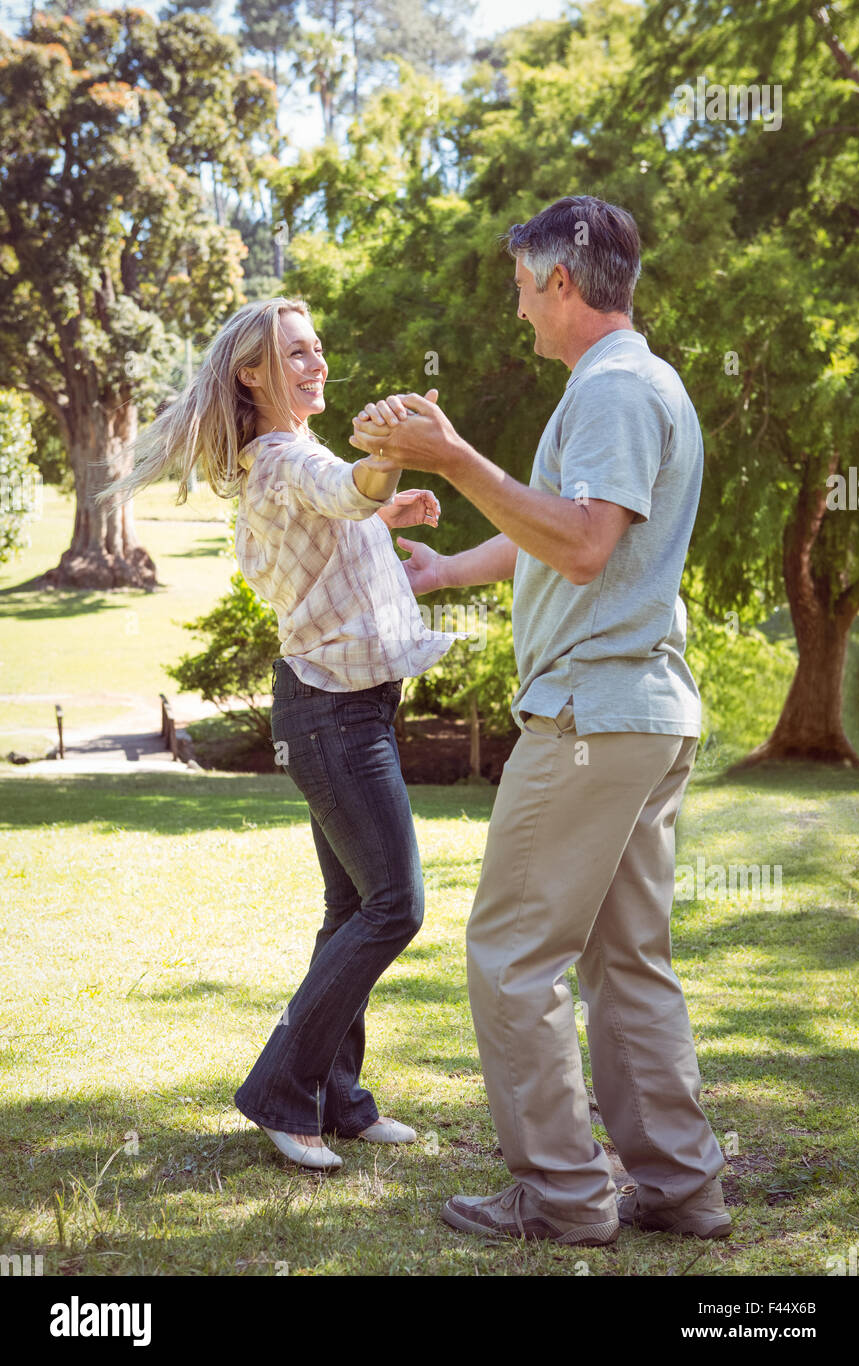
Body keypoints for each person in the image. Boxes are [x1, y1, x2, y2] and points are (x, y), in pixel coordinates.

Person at [350, 195, 731, 1243]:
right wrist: (445, 570)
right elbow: (549, 534)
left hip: (589, 717)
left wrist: (454, 458)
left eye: (521, 291)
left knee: (512, 951)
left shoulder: (608, 390)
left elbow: (580, 543)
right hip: (641, 713)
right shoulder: (636, 384)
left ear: (559, 282)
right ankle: (678, 1185)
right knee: (627, 960)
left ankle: (561, 1195)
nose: (519, 314)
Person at [99, 296, 458, 1171]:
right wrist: (382, 466)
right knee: (395, 906)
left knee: (351, 909)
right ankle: (278, 1092)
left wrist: (386, 507)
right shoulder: (286, 458)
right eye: (295, 353)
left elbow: (339, 509)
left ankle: (338, 1099)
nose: (317, 363)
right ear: (252, 373)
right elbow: (337, 488)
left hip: (348, 704)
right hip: (332, 712)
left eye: (318, 348)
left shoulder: (291, 459)